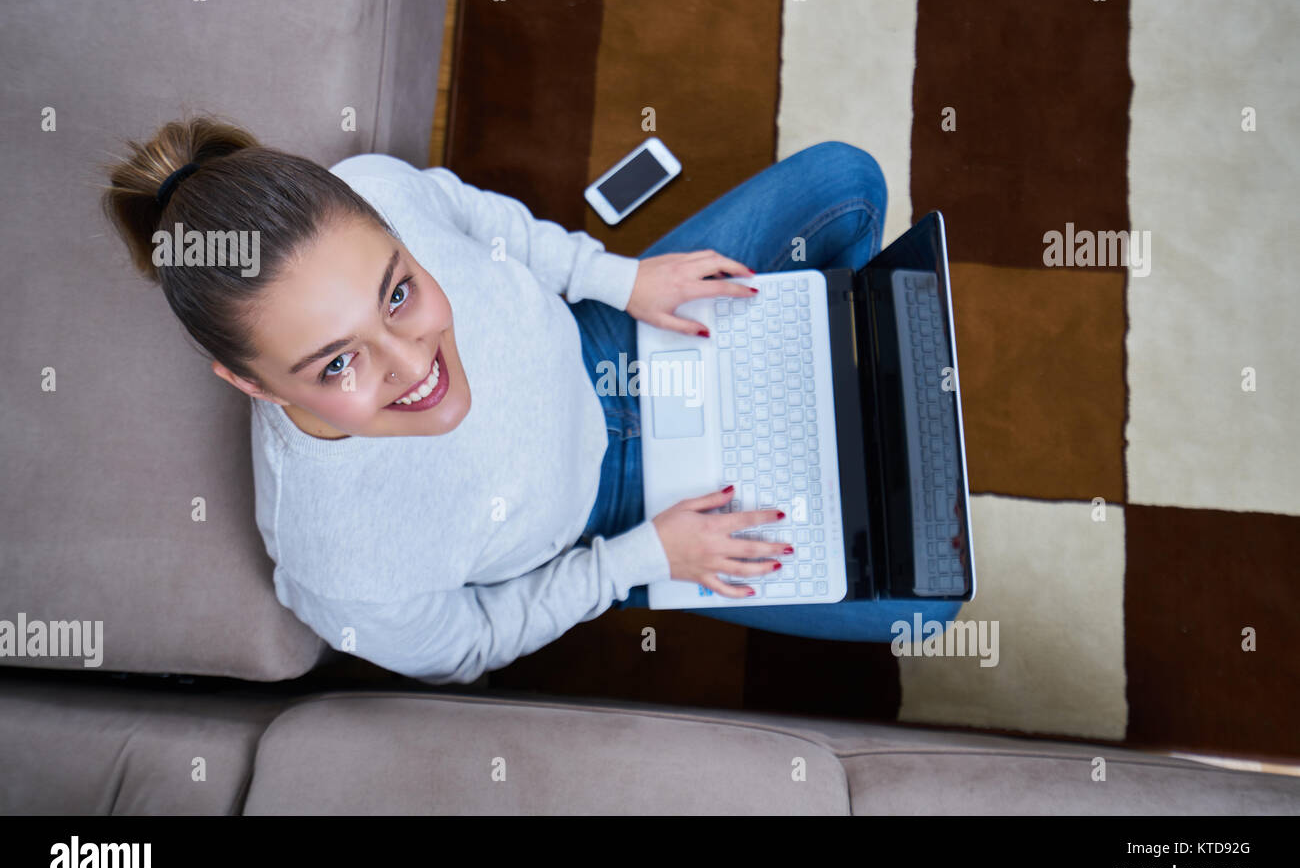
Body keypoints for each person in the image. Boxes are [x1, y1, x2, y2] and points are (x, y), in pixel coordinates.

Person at [100, 117, 963, 685]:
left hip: (607, 333)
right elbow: (472, 643)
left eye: (398, 294)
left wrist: (621, 280)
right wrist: (643, 558)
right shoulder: (338, 564)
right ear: (250, 383)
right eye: (337, 364)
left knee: (848, 181)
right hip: (622, 516)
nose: (417, 366)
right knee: (928, 609)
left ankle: (805, 375)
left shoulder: (376, 187)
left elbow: (490, 224)